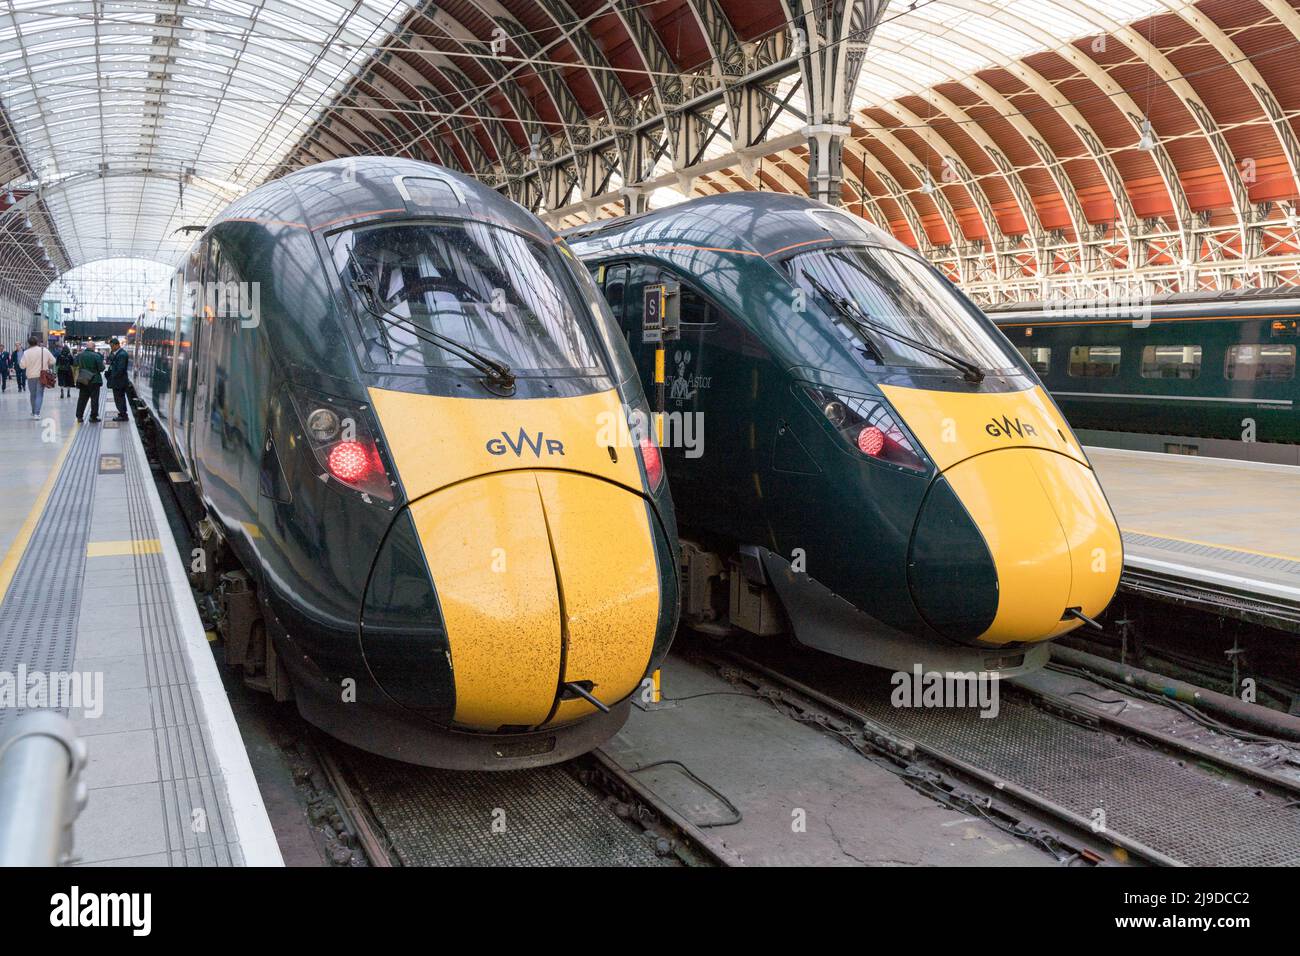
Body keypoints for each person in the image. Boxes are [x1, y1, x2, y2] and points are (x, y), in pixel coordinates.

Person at [18, 335, 54, 419]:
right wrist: (46, 363)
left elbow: (22, 366)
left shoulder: (26, 352)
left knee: (33, 395)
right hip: (42, 376)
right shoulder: (44, 350)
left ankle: (34, 411)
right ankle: (37, 414)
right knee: (39, 394)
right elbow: (53, 361)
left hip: (31, 376)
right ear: (37, 342)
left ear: (29, 343)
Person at [73, 340, 106, 423]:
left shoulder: (80, 355)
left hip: (83, 379)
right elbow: (101, 368)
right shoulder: (96, 356)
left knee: (82, 399)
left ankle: (79, 416)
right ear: (94, 347)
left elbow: (75, 364)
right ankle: (93, 417)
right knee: (94, 399)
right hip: (94, 380)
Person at [106, 337, 130, 421]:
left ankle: (123, 415)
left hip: (119, 381)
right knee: (119, 398)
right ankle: (122, 413)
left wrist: (113, 376)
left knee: (119, 398)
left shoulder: (122, 355)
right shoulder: (119, 353)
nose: (111, 348)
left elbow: (120, 369)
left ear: (117, 345)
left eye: (112, 346)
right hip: (118, 380)